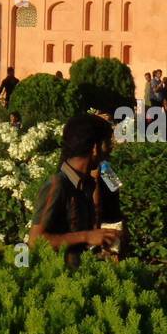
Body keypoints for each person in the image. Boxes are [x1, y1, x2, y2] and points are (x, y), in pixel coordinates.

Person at [29, 112, 124, 267]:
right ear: (94, 148)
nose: (112, 147)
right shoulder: (58, 184)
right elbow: (34, 241)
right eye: (108, 141)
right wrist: (87, 236)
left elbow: (114, 211)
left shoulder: (106, 172)